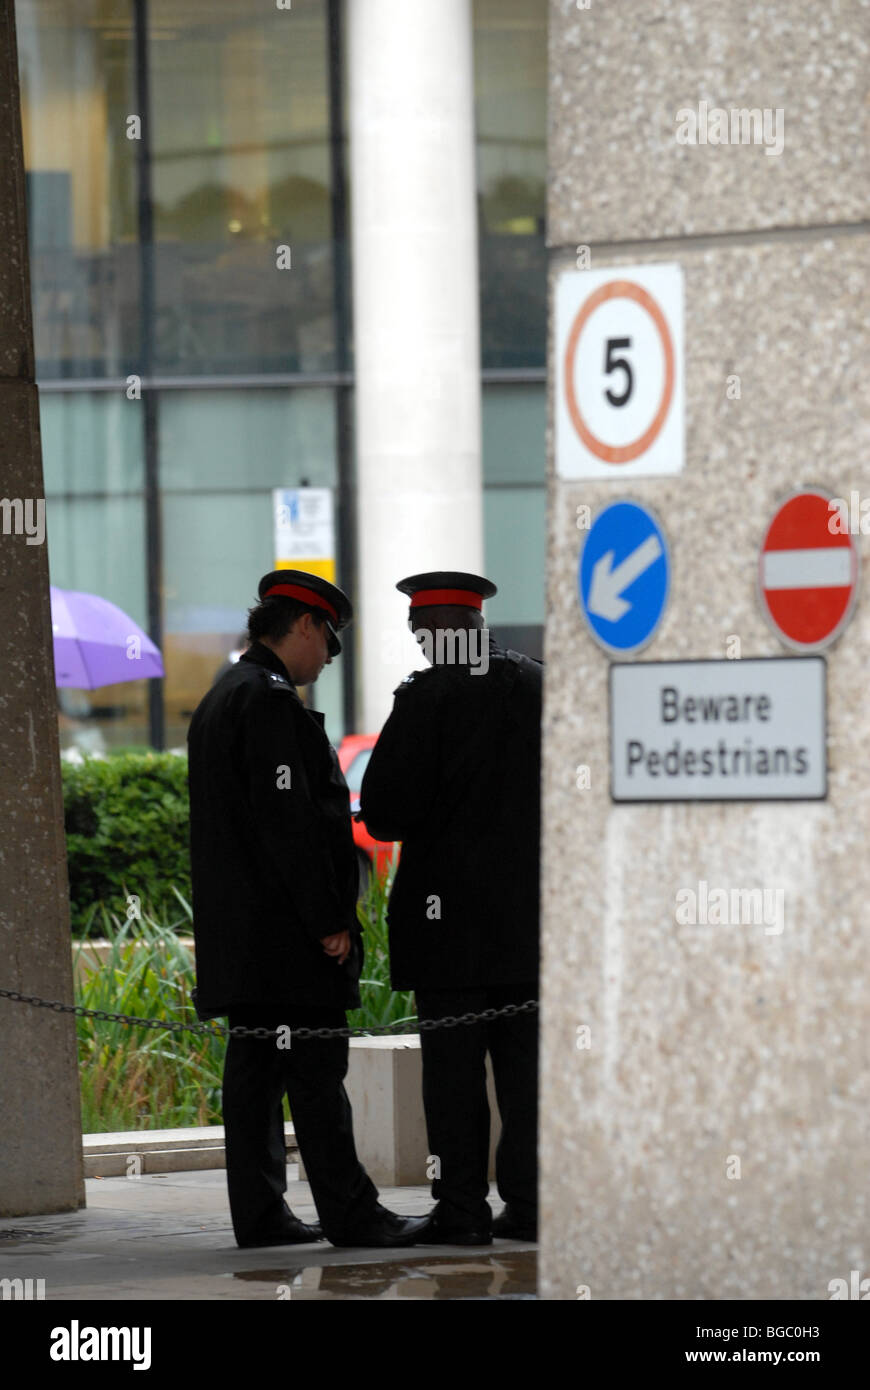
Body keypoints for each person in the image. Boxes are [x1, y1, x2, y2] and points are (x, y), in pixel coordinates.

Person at [187, 568, 430, 1250]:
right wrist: (329, 919)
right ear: (303, 625)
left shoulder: (221, 697)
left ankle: (262, 1217)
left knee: (256, 1077)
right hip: (288, 940)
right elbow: (290, 825)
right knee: (318, 1078)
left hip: (248, 940)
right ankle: (354, 1215)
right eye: (328, 639)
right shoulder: (266, 703)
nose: (328, 655)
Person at [359, 571, 542, 1244]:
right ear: (480, 624)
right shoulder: (540, 686)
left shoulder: (426, 700)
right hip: (530, 925)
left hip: (450, 930)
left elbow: (381, 815)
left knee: (454, 1076)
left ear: (428, 634)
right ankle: (532, 1202)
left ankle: (462, 1210)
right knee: (528, 1074)